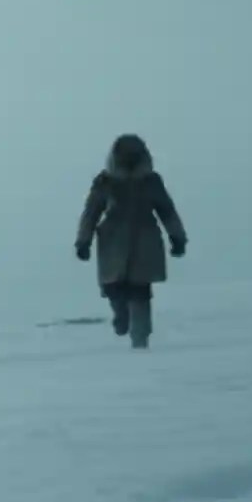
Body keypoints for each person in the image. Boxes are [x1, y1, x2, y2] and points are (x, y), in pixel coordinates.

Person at [75, 134, 188, 350]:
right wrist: (83, 241)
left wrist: (177, 237)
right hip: (113, 244)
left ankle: (140, 341)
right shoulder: (105, 182)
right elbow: (91, 213)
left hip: (144, 244)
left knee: (140, 293)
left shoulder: (151, 182)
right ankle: (121, 316)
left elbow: (167, 211)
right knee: (115, 290)